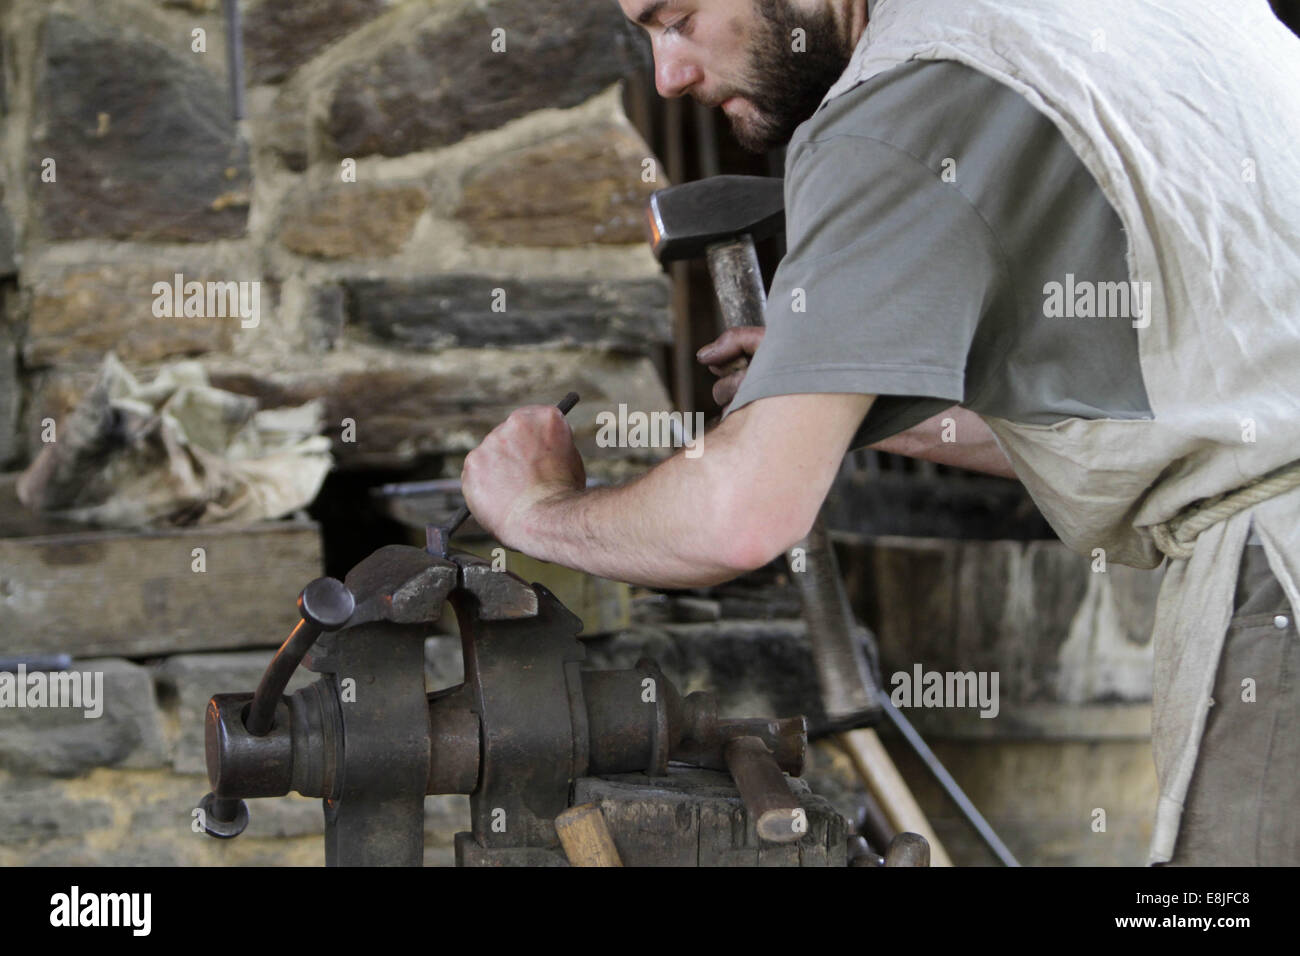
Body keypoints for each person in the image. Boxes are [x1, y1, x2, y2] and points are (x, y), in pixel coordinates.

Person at [461, 0, 1300, 865]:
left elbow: (739, 520)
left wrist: (535, 511)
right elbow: (1176, 416)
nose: (669, 76)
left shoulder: (898, 101)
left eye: (677, 18)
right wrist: (838, 396)